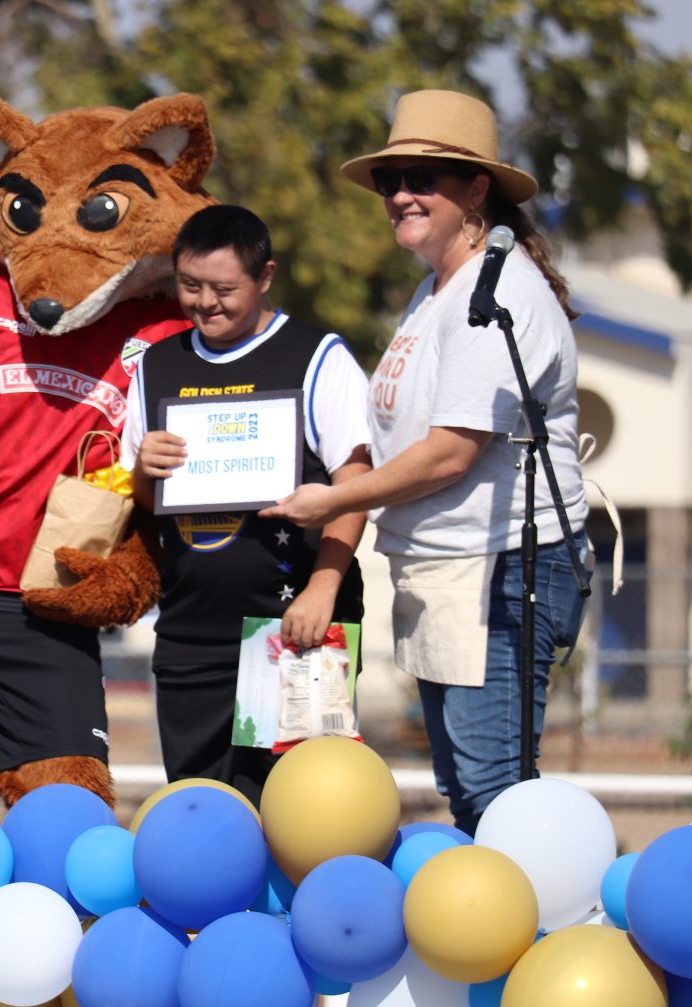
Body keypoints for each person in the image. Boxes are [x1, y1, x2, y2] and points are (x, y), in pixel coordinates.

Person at [260, 89, 592, 834]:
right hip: (449, 572)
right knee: (468, 787)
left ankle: (537, 939)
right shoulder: (434, 291)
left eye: (423, 178)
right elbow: (401, 440)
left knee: (494, 793)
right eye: (390, 180)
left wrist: (333, 501)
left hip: (500, 567)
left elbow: (449, 453)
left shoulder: (497, 291)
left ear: (477, 189)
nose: (402, 194)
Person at [121, 204, 372, 807]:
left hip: (291, 625)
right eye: (189, 286)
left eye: (224, 289)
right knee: (200, 804)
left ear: (265, 277)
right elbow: (147, 501)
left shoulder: (318, 356)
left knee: (302, 808)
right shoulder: (156, 366)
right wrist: (143, 471)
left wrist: (322, 590)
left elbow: (357, 481)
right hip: (191, 630)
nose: (205, 303)